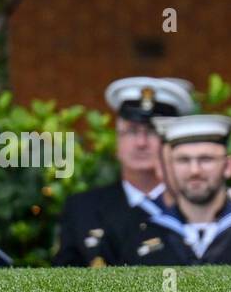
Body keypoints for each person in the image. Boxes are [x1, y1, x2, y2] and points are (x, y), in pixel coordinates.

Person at [53, 77, 195, 267]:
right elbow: (61, 284)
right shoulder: (82, 208)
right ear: (117, 142)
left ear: (173, 142)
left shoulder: (198, 207)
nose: (141, 143)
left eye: (152, 131)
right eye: (131, 131)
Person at [123, 114, 231, 265]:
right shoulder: (141, 237)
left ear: (228, 166)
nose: (194, 170)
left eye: (206, 159)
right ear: (170, 167)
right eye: (183, 160)